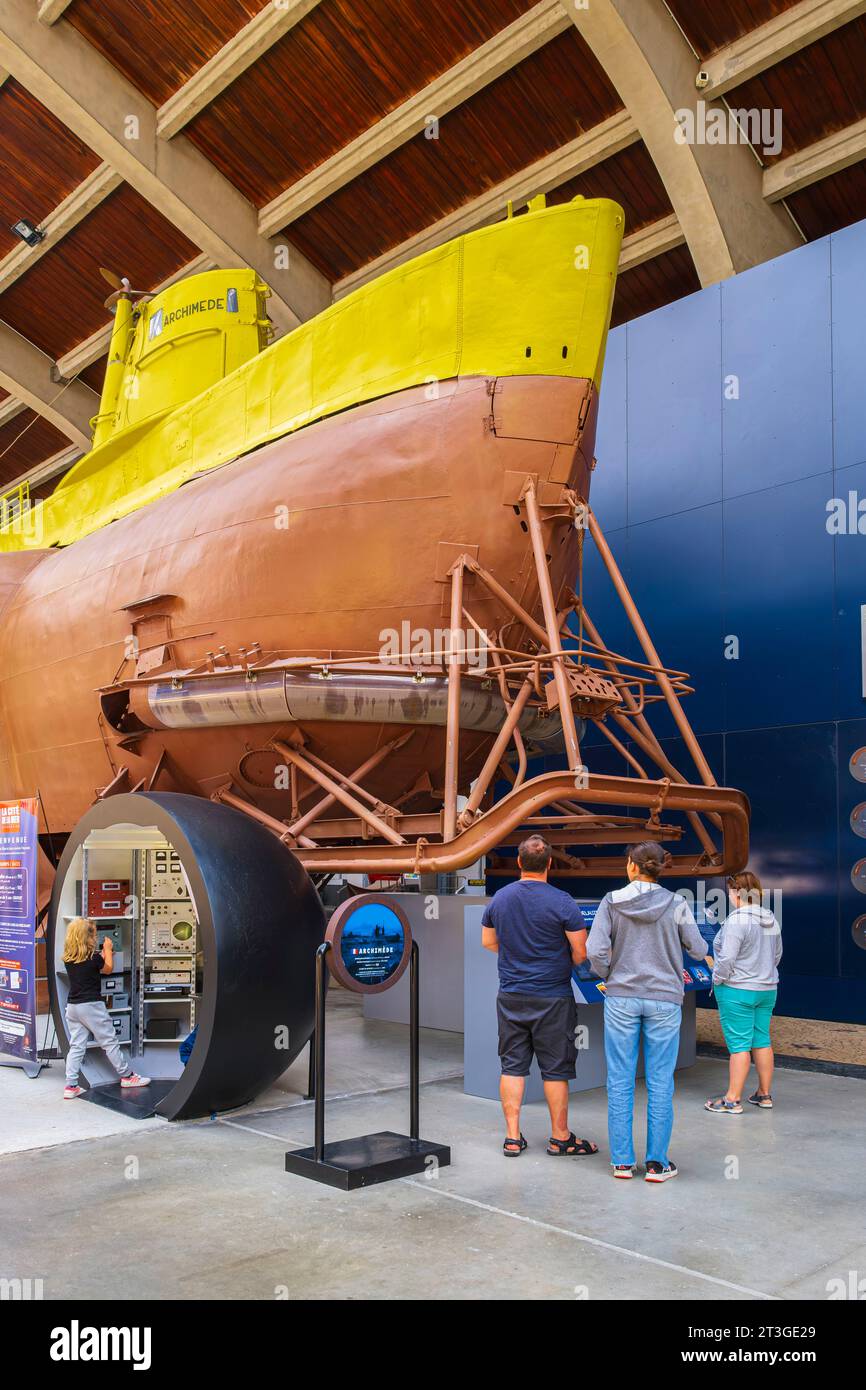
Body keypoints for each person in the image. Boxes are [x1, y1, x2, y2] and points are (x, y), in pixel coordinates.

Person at [586, 843, 713, 1183]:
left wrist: (608, 973)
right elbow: (699, 949)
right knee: (660, 1081)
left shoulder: (611, 901)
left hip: (621, 998)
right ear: (659, 869)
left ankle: (623, 1162)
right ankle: (657, 1164)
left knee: (620, 1079)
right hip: (664, 999)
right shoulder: (678, 903)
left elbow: (595, 949)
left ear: (631, 866)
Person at [481, 834, 598, 1158]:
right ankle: (560, 1138)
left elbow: (488, 942)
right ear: (549, 864)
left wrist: (518, 955)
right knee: (556, 1070)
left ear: (519, 863)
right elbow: (579, 953)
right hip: (553, 998)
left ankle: (512, 1137)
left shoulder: (500, 899)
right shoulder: (563, 901)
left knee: (512, 1066)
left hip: (511, 995)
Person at [704, 870, 782, 1114]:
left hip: (737, 990)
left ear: (736, 892)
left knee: (739, 1046)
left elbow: (726, 959)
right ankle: (764, 1094)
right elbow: (776, 955)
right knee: (761, 1040)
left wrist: (717, 978)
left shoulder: (737, 920)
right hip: (767, 989)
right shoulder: (770, 918)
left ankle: (732, 1100)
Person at [62, 917, 150, 1099]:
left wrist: (103, 954)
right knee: (109, 1042)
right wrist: (108, 950)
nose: (97, 937)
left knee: (76, 1046)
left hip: (73, 1007)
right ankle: (127, 1076)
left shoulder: (69, 959)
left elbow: (90, 966)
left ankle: (71, 1086)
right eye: (94, 934)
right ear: (88, 938)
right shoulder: (94, 958)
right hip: (92, 1006)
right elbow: (107, 968)